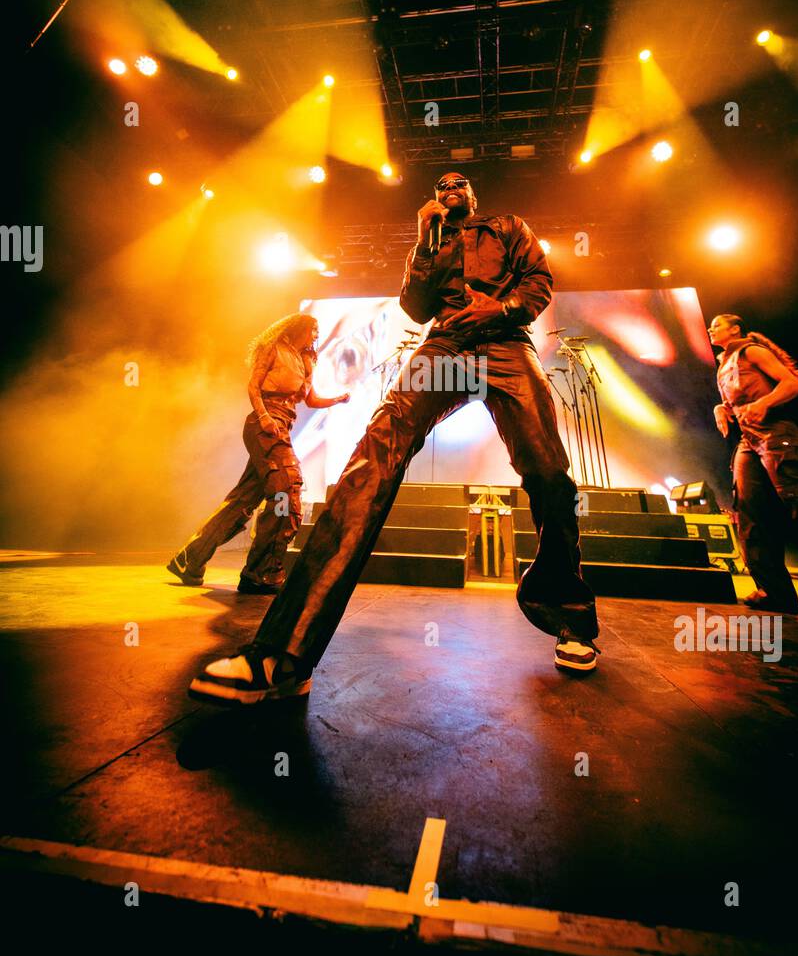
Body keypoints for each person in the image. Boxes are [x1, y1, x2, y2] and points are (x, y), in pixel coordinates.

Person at [188, 170, 600, 707]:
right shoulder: (431, 238)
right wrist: (422, 245)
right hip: (444, 346)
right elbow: (415, 307)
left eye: (459, 181)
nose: (449, 185)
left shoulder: (506, 225)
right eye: (441, 183)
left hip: (505, 343)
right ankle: (285, 651)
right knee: (372, 458)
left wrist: (500, 309)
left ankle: (567, 615)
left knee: (548, 472)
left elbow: (538, 283)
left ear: (473, 194)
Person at [167, 313, 349, 596]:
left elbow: (310, 399)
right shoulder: (274, 348)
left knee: (244, 499)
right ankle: (260, 573)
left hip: (282, 427)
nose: (316, 334)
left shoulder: (302, 359)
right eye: (313, 329)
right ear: (298, 328)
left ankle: (190, 559)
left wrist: (337, 398)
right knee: (286, 492)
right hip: (265, 425)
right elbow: (254, 386)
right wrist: (264, 418)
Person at [708, 313, 798, 614]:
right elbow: (734, 401)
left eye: (717, 325)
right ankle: (775, 591)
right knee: (749, 511)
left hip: (776, 433)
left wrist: (764, 404)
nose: (711, 329)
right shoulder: (724, 364)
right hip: (749, 440)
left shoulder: (751, 351)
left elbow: (793, 384)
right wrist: (721, 408)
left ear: (735, 329)